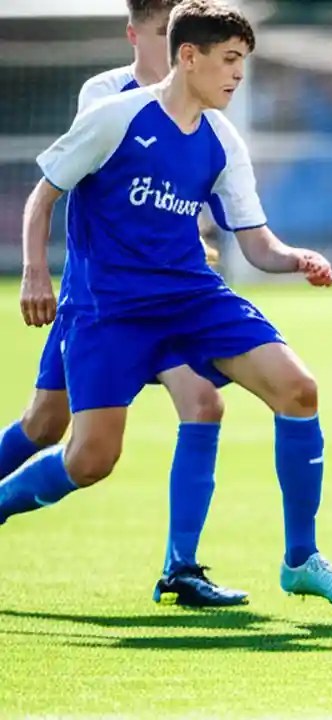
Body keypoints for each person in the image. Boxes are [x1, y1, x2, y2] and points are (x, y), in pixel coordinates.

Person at [0, 0, 332, 608]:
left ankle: (300, 558)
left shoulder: (223, 139)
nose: (237, 76)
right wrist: (35, 274)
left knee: (297, 389)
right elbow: (43, 197)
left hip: (190, 299)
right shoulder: (115, 114)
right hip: (110, 309)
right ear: (188, 56)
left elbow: (255, 241)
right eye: (229, 61)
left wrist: (294, 257)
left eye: (243, 64)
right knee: (88, 456)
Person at [0, 0, 242, 607]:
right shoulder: (107, 97)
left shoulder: (203, 112)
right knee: (47, 426)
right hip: (98, 301)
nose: (175, 45)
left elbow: (183, 192)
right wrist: (38, 270)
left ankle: (181, 568)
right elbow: (102, 182)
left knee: (204, 402)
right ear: (137, 34)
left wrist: (198, 239)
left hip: (163, 299)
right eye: (163, 33)